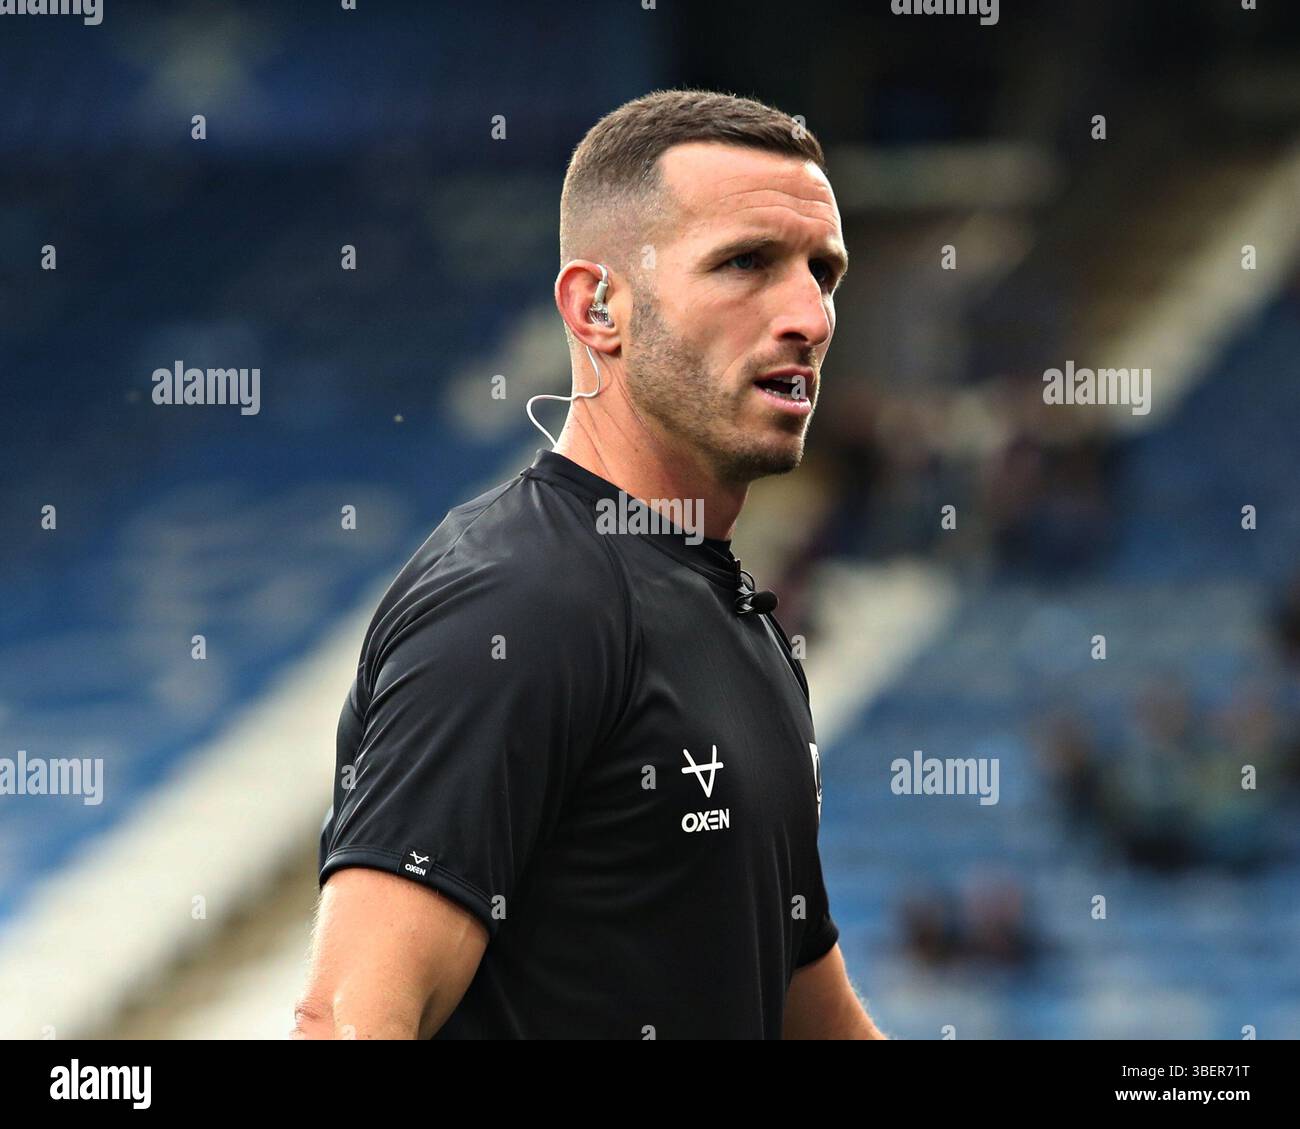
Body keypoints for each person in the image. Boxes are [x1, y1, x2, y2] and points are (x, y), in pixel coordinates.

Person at [295, 88, 885, 1039]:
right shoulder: (518, 596)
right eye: (746, 263)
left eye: (824, 273)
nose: (809, 315)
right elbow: (347, 1020)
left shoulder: (739, 616)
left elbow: (812, 1019)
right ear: (598, 305)